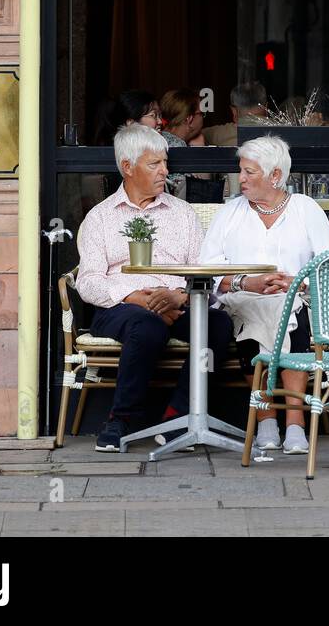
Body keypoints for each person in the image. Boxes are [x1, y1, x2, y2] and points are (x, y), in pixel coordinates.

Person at [75, 123, 230, 453]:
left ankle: (180, 416)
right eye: (155, 164)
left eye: (165, 163)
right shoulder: (100, 218)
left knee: (218, 325)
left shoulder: (183, 214)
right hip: (120, 307)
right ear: (127, 167)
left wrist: (179, 297)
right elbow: (87, 281)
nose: (165, 171)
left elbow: (204, 272)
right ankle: (119, 419)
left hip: (178, 303)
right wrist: (135, 297)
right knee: (147, 326)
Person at [199, 135, 329, 455]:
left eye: (249, 172)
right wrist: (246, 283)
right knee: (254, 311)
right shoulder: (230, 213)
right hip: (242, 299)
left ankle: (293, 423)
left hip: (297, 299)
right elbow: (207, 270)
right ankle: (266, 420)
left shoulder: (305, 209)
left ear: (275, 175)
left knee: (289, 309)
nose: (241, 179)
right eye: (241, 171)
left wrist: (297, 283)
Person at [159, 88, 220, 202]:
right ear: (189, 119)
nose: (203, 118)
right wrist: (200, 149)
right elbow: (203, 194)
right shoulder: (178, 147)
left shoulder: (159, 139)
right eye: (201, 114)